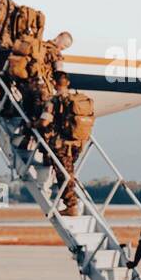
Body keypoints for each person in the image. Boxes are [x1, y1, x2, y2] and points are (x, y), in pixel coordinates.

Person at [46, 73, 92, 217]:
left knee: (64, 175)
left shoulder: (54, 100)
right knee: (69, 172)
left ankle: (71, 205)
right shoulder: (74, 99)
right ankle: (74, 200)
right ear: (68, 83)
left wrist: (32, 125)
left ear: (54, 82)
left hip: (63, 145)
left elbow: (45, 121)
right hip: (77, 143)